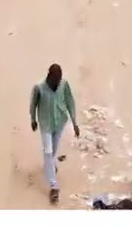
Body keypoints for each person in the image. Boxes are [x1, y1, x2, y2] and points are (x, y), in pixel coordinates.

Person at [30, 64, 80, 204]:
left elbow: (70, 102)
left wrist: (75, 123)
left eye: (59, 79)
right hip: (45, 125)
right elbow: (33, 104)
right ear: (49, 76)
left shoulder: (64, 85)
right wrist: (33, 120)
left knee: (53, 151)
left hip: (60, 122)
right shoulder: (39, 88)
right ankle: (53, 186)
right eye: (56, 79)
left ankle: (49, 166)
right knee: (48, 151)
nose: (58, 82)